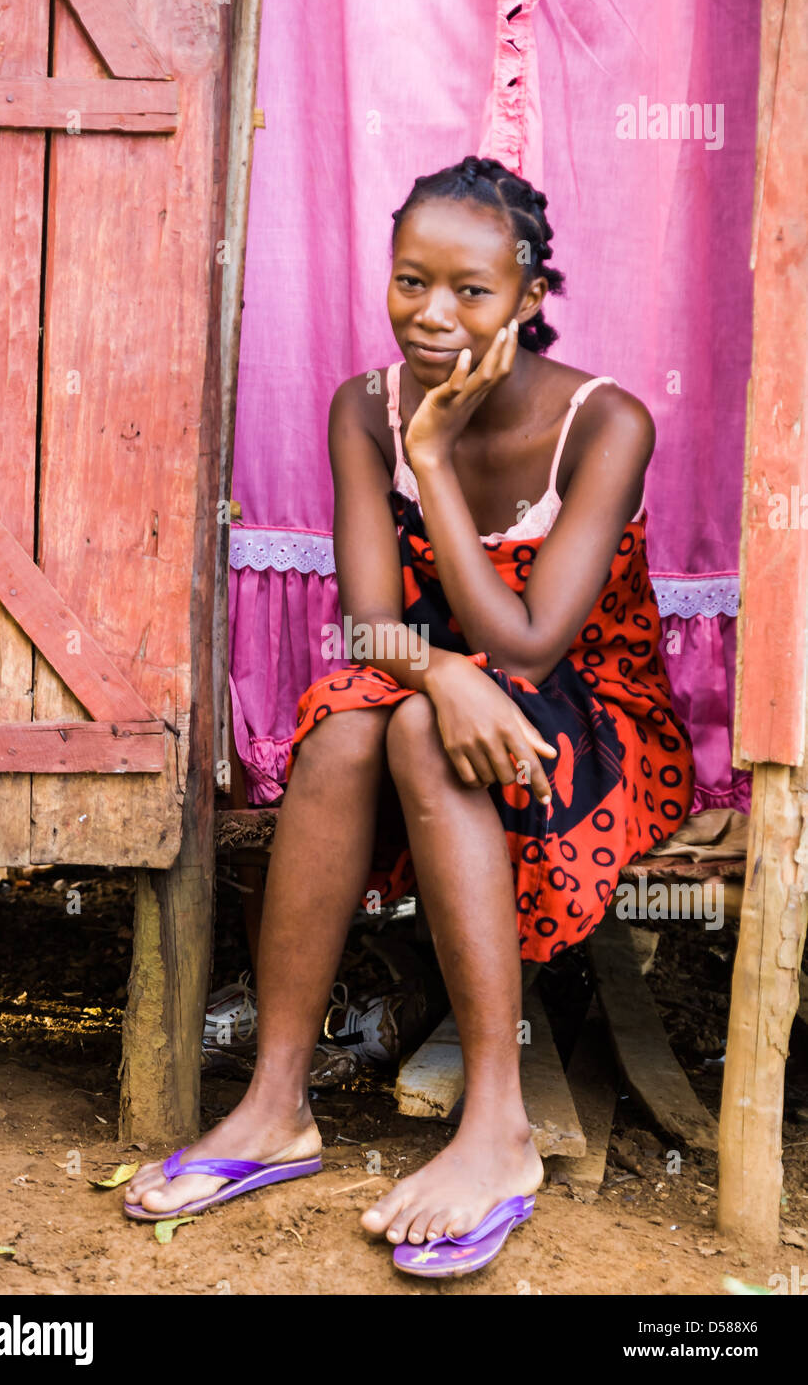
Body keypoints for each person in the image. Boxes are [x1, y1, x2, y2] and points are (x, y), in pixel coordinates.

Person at [124, 155, 695, 1278]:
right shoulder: (360, 407)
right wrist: (443, 674)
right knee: (348, 719)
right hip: (428, 682)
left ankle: (495, 1126)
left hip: (589, 711)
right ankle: (276, 1102)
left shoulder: (604, 421)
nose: (431, 316)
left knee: (411, 725)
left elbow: (531, 643)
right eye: (408, 282)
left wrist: (428, 458)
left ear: (529, 297)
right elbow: (372, 625)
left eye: (470, 291)